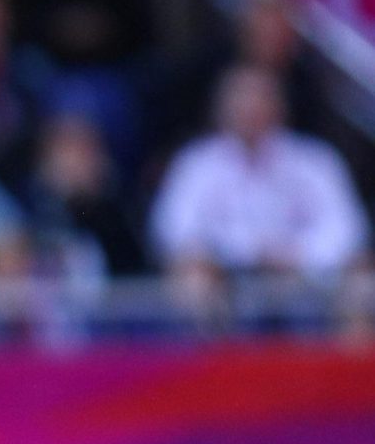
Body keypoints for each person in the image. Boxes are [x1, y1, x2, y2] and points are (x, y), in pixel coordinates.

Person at [151, 65, 370, 286]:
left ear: (279, 105)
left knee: (362, 277)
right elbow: (174, 230)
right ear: (221, 107)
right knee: (192, 277)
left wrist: (298, 255)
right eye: (241, 99)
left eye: (260, 98)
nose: (250, 109)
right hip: (227, 279)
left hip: (310, 279)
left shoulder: (314, 159)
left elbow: (348, 229)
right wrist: (249, 252)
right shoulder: (197, 162)